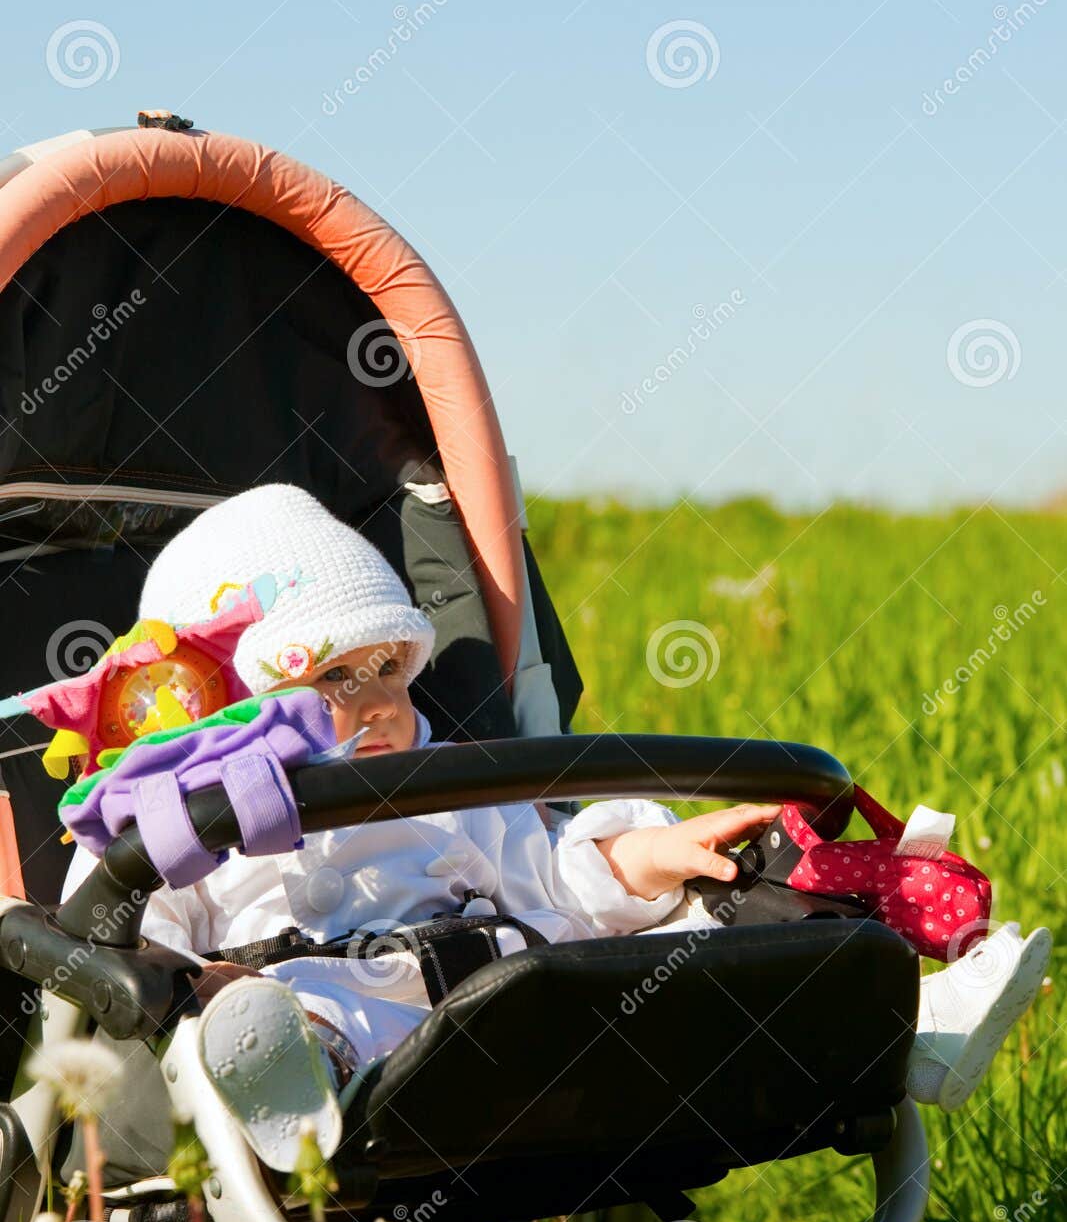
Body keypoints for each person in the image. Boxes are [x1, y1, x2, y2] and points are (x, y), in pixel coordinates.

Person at [61, 485, 1052, 1172]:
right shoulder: (192, 827)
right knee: (281, 1023)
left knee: (696, 930)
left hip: (523, 1008)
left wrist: (644, 855)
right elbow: (103, 925)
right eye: (331, 679)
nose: (378, 706)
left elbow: (548, 880)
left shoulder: (444, 782)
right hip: (350, 1035)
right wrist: (184, 976)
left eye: (392, 671)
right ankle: (289, 1081)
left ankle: (900, 1022)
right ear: (227, 707)